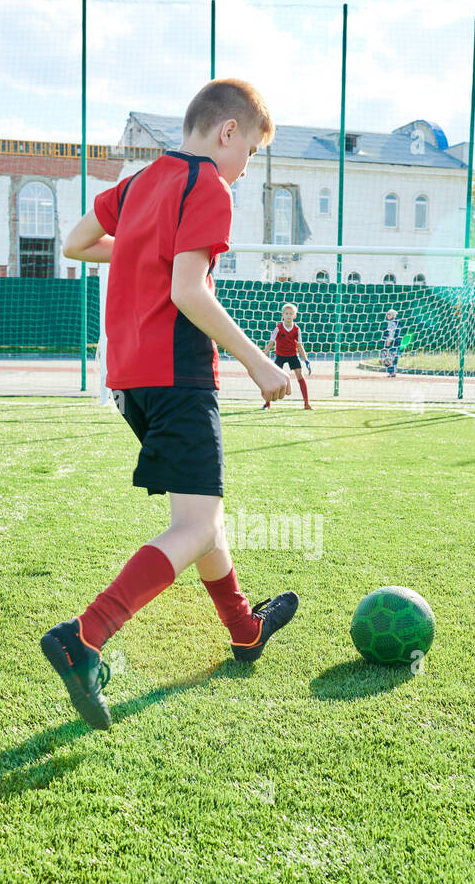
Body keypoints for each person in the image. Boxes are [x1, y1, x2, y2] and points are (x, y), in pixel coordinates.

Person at [40, 78, 299, 730]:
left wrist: (137, 252)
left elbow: (76, 242)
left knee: (203, 513)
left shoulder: (136, 182)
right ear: (228, 132)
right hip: (178, 376)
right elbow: (189, 290)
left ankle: (245, 630)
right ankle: (85, 637)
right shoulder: (207, 184)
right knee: (195, 525)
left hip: (129, 378)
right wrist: (258, 361)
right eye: (253, 152)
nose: (247, 169)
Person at [261, 302, 312, 409]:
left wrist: (306, 361)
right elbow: (270, 344)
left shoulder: (297, 329)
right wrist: (263, 357)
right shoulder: (278, 328)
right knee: (273, 378)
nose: (289, 315)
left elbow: (300, 346)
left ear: (295, 316)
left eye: (291, 313)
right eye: (286, 313)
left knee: (300, 375)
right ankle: (267, 404)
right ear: (282, 315)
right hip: (280, 355)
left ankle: (307, 403)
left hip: (293, 355)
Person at [380, 308, 401, 377]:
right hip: (396, 343)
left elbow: (391, 332)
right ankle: (393, 370)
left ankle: (392, 371)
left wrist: (388, 341)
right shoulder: (397, 322)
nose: (387, 315)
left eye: (389, 314)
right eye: (387, 314)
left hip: (392, 342)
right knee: (393, 356)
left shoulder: (392, 323)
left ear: (393, 315)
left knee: (388, 357)